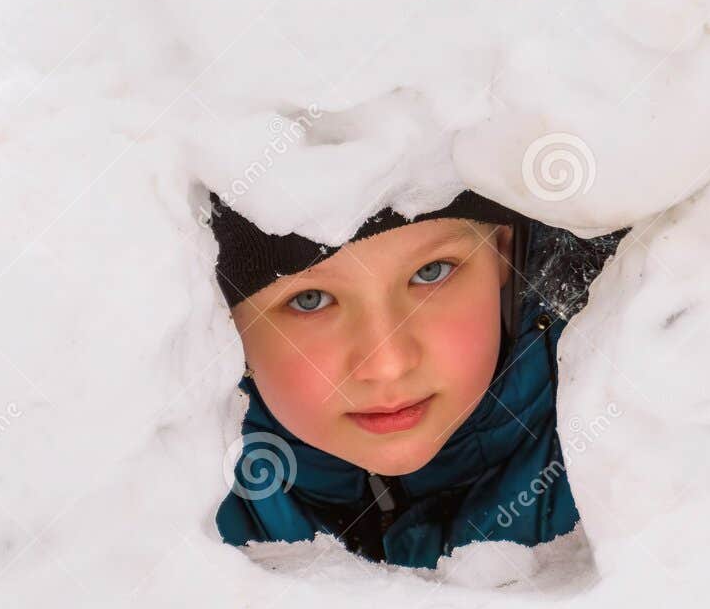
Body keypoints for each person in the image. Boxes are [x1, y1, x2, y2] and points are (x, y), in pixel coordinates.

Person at [208, 188, 623, 569]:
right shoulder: (185, 496)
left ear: (501, 250)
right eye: (310, 300)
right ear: (226, 318)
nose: (388, 363)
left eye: (431, 272)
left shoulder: (626, 418)